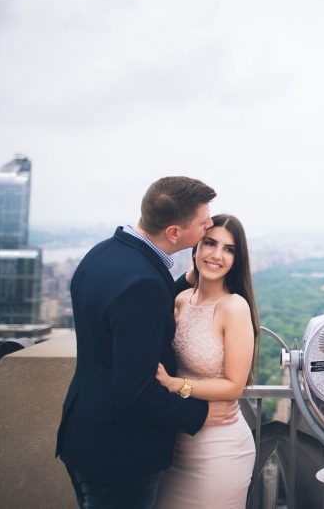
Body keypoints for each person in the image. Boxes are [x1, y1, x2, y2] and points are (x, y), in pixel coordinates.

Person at [56, 177, 240, 509]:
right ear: (174, 233)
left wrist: (185, 280)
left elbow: (126, 313)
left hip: (82, 433)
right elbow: (135, 393)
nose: (209, 225)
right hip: (120, 453)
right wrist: (198, 414)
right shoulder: (143, 285)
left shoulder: (103, 254)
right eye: (203, 223)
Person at [153, 213, 260, 509]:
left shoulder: (234, 307)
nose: (216, 255)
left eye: (229, 249)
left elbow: (234, 386)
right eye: (209, 243)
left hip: (219, 449)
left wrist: (176, 385)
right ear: (196, 248)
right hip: (175, 443)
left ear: (237, 260)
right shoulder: (180, 300)